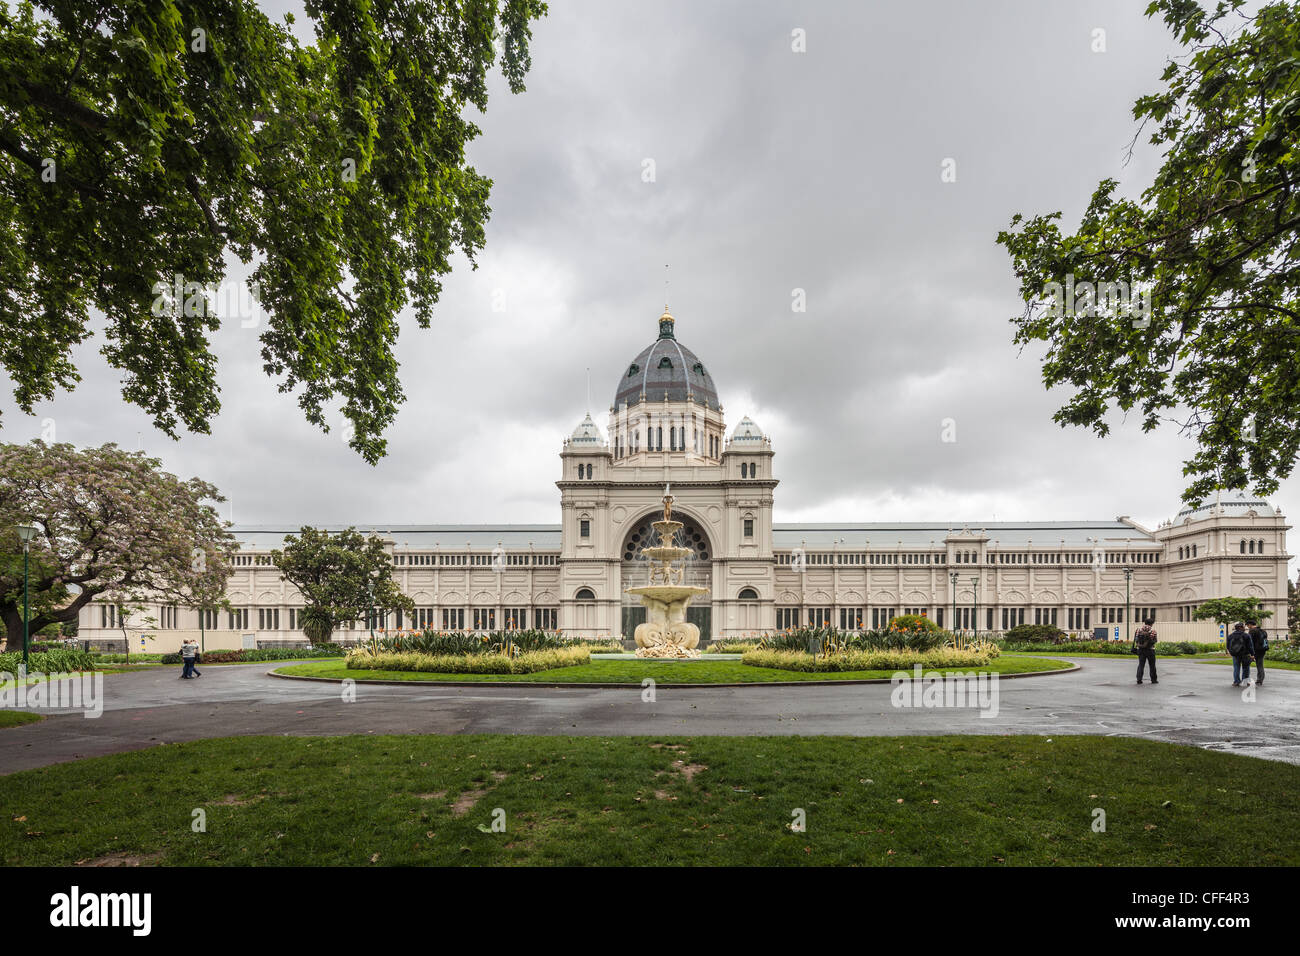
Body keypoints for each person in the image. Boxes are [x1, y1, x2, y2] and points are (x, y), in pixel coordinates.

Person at [1226, 622, 1253, 686]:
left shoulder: (1230, 636)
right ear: (1240, 628)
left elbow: (1228, 646)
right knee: (1246, 668)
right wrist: (1252, 654)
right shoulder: (1246, 635)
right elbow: (1250, 646)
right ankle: (1245, 682)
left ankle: (1236, 681)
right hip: (1245, 654)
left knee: (1236, 668)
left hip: (1235, 655)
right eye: (1243, 627)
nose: (1244, 628)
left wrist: (1231, 652)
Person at [1134, 618, 1158, 684]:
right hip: (1150, 650)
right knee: (1152, 665)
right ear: (1151, 623)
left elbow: (1136, 639)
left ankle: (1139, 679)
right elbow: (1155, 640)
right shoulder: (1153, 631)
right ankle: (1153, 680)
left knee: (1141, 665)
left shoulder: (1139, 630)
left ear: (1145, 622)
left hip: (1141, 650)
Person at [1247, 618, 1269, 685]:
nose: (1247, 627)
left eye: (1247, 625)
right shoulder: (1263, 631)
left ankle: (1245, 680)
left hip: (1254, 651)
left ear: (1250, 625)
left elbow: (1250, 642)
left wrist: (1251, 652)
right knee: (1260, 665)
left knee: (1246, 665)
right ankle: (1260, 680)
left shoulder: (1252, 631)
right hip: (1262, 650)